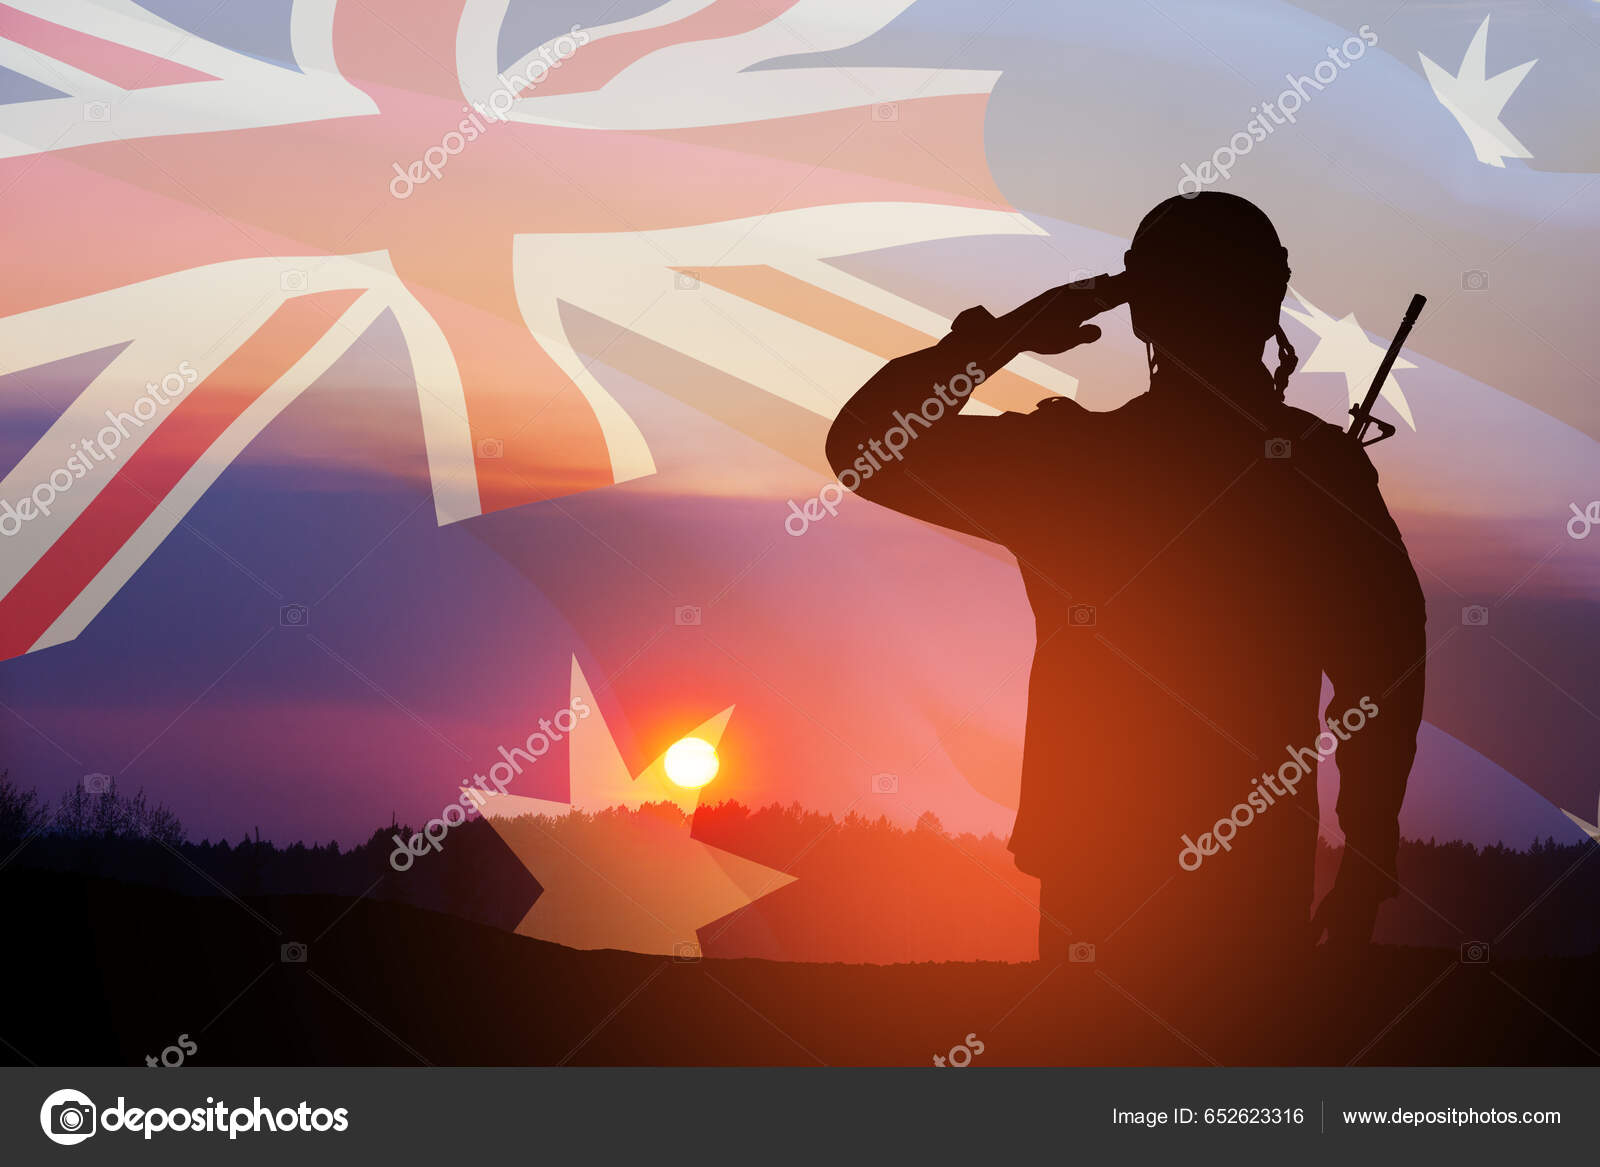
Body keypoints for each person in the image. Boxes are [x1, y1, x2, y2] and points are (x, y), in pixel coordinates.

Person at [826, 193, 1426, 978]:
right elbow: (1384, 673)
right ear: (1270, 301)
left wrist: (1002, 339)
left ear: (1142, 312)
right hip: (1252, 865)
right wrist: (1368, 857)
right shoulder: (1321, 471)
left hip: (1095, 861)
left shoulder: (1070, 464)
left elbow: (862, 446)